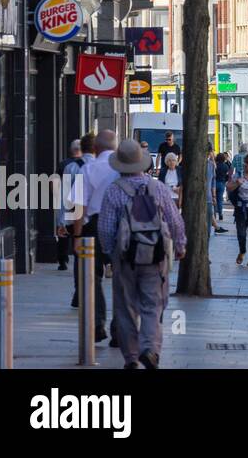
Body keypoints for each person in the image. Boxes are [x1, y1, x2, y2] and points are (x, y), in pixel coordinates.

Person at [98, 139, 186, 369]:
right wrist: (179, 245)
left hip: (126, 257)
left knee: (126, 308)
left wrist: (110, 254)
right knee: (153, 305)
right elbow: (174, 219)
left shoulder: (114, 191)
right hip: (155, 256)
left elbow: (106, 228)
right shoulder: (157, 188)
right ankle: (150, 349)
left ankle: (131, 357)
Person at [80, 129, 121, 344]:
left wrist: (78, 235)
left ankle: (98, 324)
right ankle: (119, 329)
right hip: (119, 227)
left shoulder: (87, 169)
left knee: (92, 278)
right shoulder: (122, 169)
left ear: (95, 148)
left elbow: (80, 206)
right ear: (115, 146)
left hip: (94, 227)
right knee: (121, 279)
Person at [56, 138, 87, 271]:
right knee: (79, 232)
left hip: (69, 202)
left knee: (64, 231)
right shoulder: (88, 164)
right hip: (84, 205)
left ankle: (62, 260)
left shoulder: (65, 165)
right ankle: (79, 257)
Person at [214, 152, 232, 222]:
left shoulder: (215, 165)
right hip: (222, 183)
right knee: (220, 199)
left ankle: (214, 214)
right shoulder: (226, 166)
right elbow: (228, 175)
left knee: (214, 199)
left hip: (215, 183)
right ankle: (220, 213)